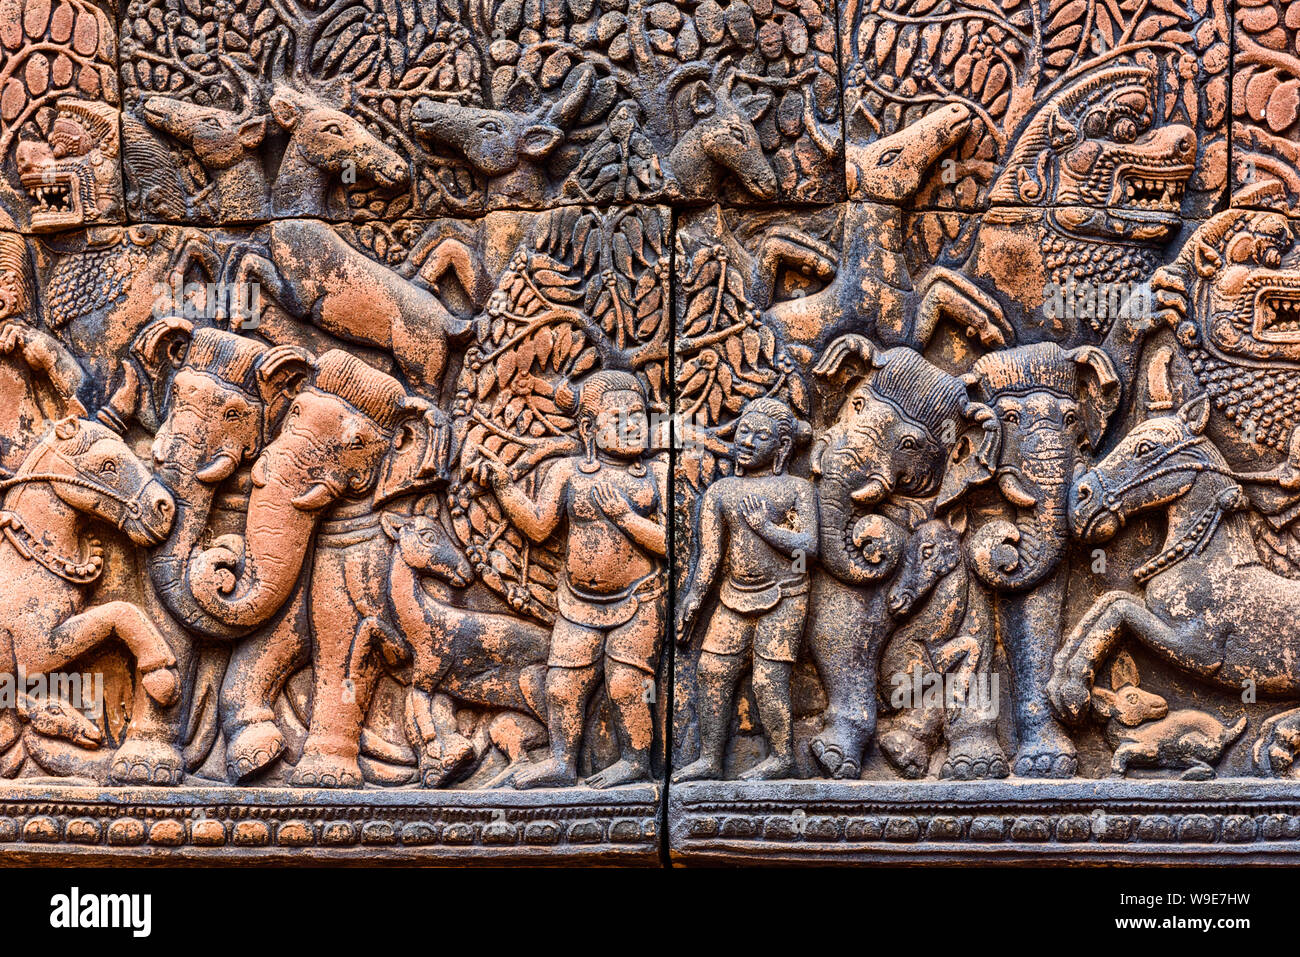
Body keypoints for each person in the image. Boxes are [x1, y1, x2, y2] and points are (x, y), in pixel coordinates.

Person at [474, 370, 667, 789]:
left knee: (628, 684)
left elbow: (671, 544)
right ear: (588, 429)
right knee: (561, 686)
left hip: (639, 599)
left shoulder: (656, 476)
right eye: (618, 418)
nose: (632, 425)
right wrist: (505, 488)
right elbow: (540, 527)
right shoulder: (568, 473)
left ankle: (636, 761)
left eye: (639, 416)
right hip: (577, 602)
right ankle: (563, 761)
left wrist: (626, 519)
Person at [674, 396, 816, 781]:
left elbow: (809, 545)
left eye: (761, 435)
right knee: (711, 670)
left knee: (768, 679)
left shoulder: (796, 488)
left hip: (786, 595)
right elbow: (710, 556)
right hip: (734, 595)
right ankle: (709, 758)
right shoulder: (720, 493)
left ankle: (782, 756)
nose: (748, 441)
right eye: (743, 432)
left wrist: (766, 529)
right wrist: (694, 598)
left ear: (782, 447)